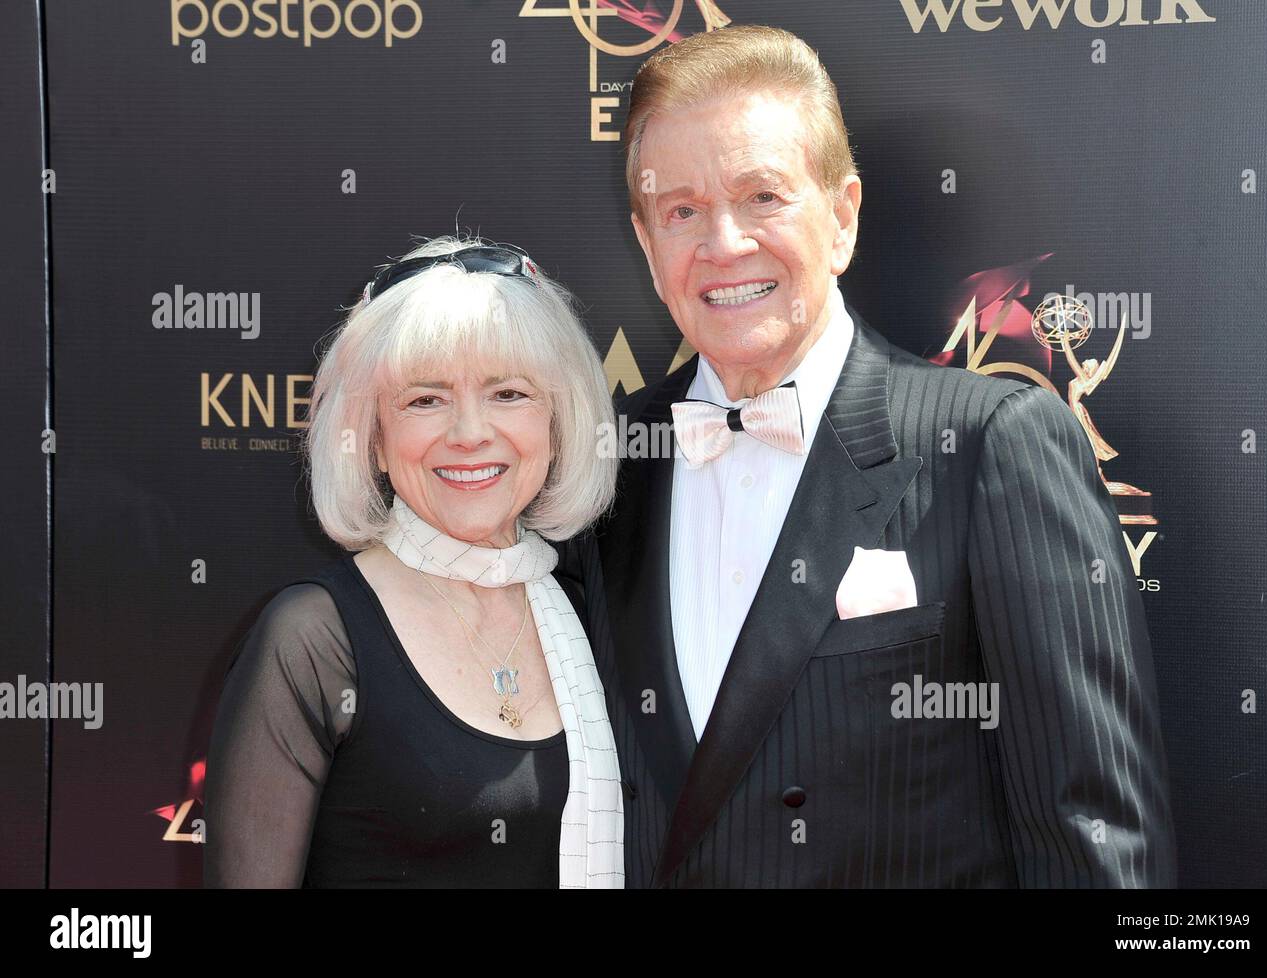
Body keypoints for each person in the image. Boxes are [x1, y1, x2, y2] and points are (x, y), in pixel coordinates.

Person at [556, 25, 1177, 888]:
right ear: (647, 244)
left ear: (842, 215)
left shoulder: (990, 444)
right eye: (682, 210)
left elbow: (1094, 835)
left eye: (763, 196)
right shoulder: (603, 469)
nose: (723, 242)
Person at [204, 236, 623, 888]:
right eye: (425, 400)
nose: (469, 432)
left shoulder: (593, 616)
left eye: (508, 394)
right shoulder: (312, 641)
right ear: (373, 439)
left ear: (558, 422)